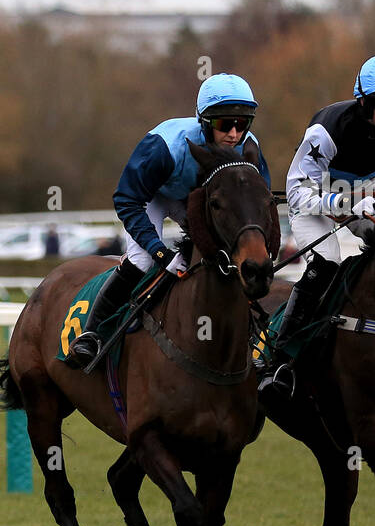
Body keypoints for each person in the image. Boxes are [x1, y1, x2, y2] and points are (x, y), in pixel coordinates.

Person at [67, 73, 270, 368]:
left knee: (225, 255)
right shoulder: (165, 146)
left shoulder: (249, 147)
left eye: (242, 124)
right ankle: (93, 332)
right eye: (225, 124)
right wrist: (160, 251)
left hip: (198, 199)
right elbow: (126, 199)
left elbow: (257, 202)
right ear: (204, 121)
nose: (234, 135)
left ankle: (248, 333)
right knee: (142, 262)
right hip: (152, 196)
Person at [258, 52, 375, 400]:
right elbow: (298, 190)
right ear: (364, 102)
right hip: (314, 203)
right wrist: (346, 203)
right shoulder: (328, 128)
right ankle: (280, 358)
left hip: (368, 202)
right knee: (328, 260)